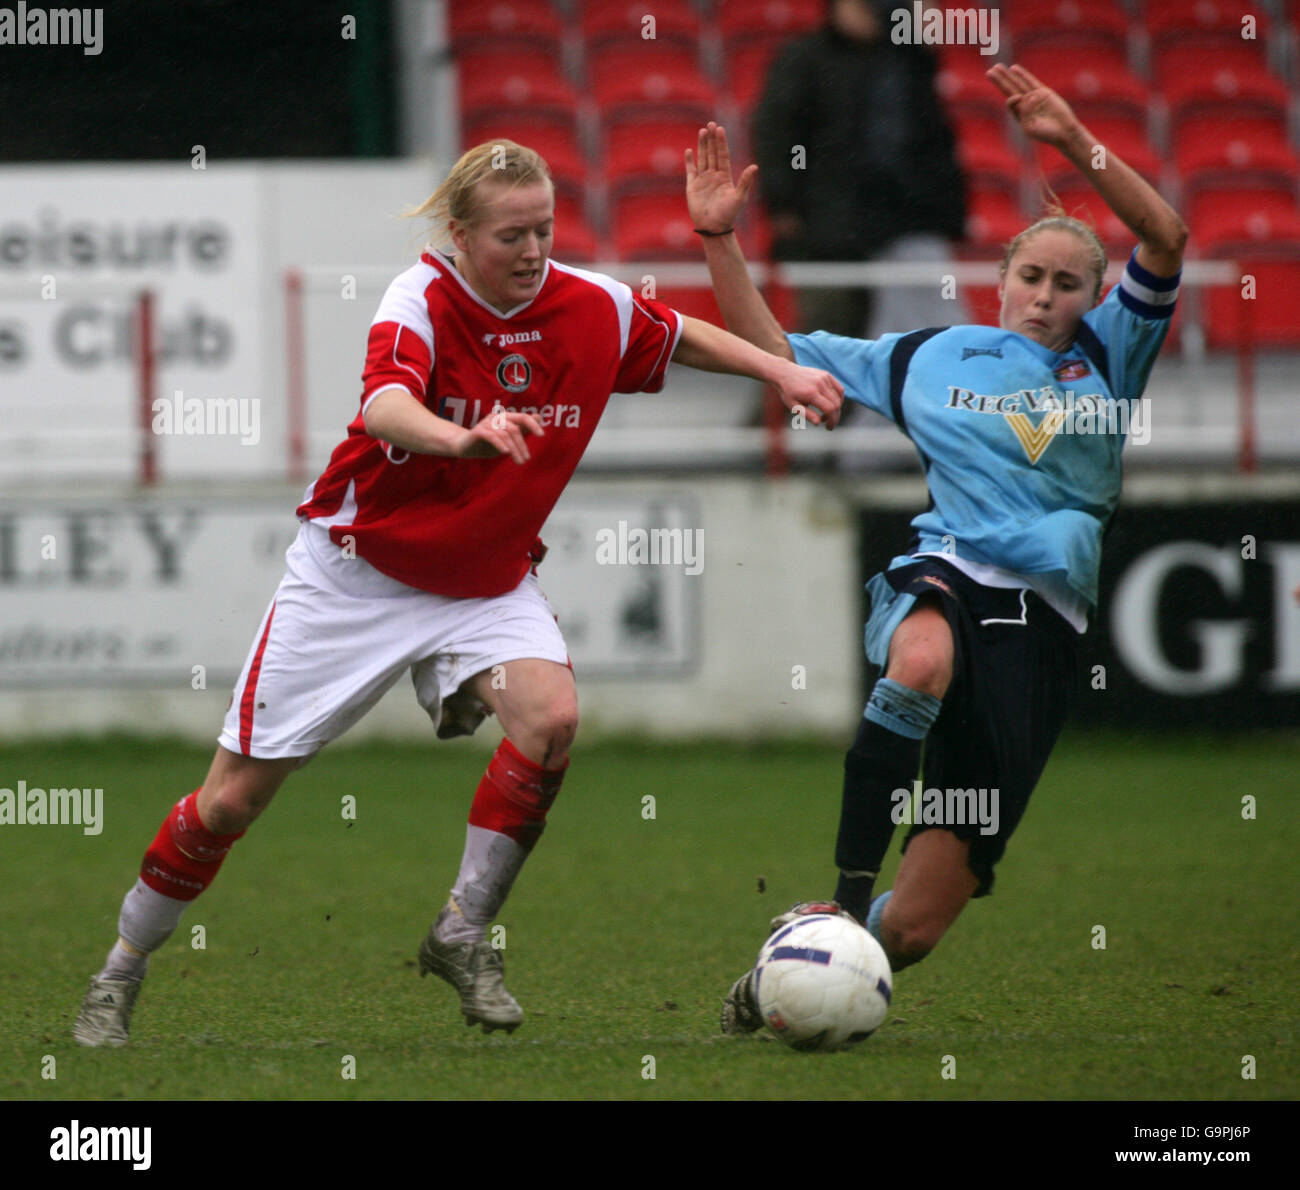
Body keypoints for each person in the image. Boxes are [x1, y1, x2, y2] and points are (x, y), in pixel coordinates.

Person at [72, 140, 843, 1046]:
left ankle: (461, 931)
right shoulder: (422, 300)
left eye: (544, 231)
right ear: (459, 233)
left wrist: (782, 371)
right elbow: (382, 408)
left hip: (485, 580)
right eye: (511, 234)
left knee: (550, 720)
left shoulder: (586, 302)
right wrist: (461, 438)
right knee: (230, 802)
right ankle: (119, 970)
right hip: (356, 576)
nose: (531, 251)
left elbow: (674, 335)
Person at [685, 63, 1187, 1032]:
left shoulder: (1111, 356)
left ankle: (808, 957)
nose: (1044, 295)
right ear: (998, 282)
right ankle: (836, 896)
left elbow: (1165, 236)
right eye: (1029, 277)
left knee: (908, 932)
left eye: (1066, 282)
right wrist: (718, 241)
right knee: (917, 656)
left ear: (1092, 295)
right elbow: (776, 353)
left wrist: (1074, 138)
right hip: (947, 568)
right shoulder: (929, 355)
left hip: (1040, 630)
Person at [751, 0, 968, 341]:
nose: (870, 12)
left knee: (909, 333)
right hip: (825, 226)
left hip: (902, 219)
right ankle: (796, 395)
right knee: (828, 331)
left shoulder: (903, 61)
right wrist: (783, 202)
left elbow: (933, 137)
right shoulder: (805, 58)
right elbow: (779, 133)